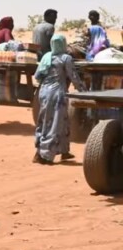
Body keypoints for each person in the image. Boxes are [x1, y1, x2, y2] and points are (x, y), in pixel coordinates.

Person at [33, 32, 77, 165]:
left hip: (43, 92)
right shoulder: (66, 58)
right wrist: (84, 91)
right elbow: (74, 76)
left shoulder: (46, 57)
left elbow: (37, 76)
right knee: (54, 123)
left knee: (55, 121)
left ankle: (64, 151)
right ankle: (44, 156)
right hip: (57, 93)